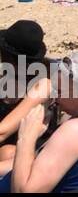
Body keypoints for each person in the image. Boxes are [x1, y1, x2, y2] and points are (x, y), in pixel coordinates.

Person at [0, 49, 78, 193]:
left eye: (60, 90)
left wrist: (26, 137)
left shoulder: (75, 131)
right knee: (7, 152)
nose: (55, 96)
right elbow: (43, 163)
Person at [0, 20, 51, 168]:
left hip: (26, 154)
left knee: (8, 152)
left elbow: (3, 131)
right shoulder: (8, 79)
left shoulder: (42, 86)